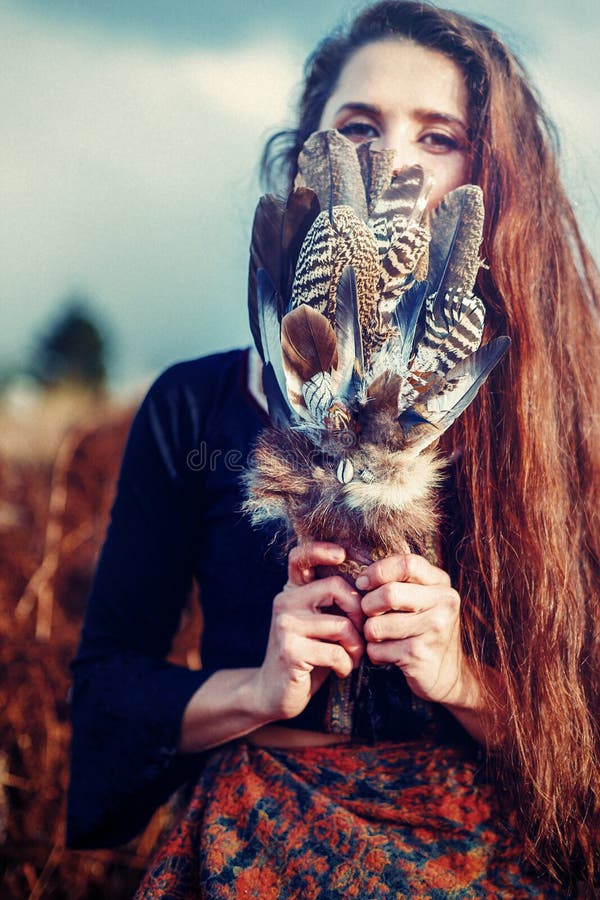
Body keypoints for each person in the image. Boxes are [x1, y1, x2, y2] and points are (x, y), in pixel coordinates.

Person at [66, 1, 600, 895]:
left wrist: (463, 677)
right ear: (308, 150)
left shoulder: (549, 417)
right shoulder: (197, 406)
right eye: (358, 125)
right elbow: (105, 690)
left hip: (480, 856)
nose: (391, 160)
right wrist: (257, 689)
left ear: (491, 171)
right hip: (255, 840)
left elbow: (583, 737)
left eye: (440, 137)